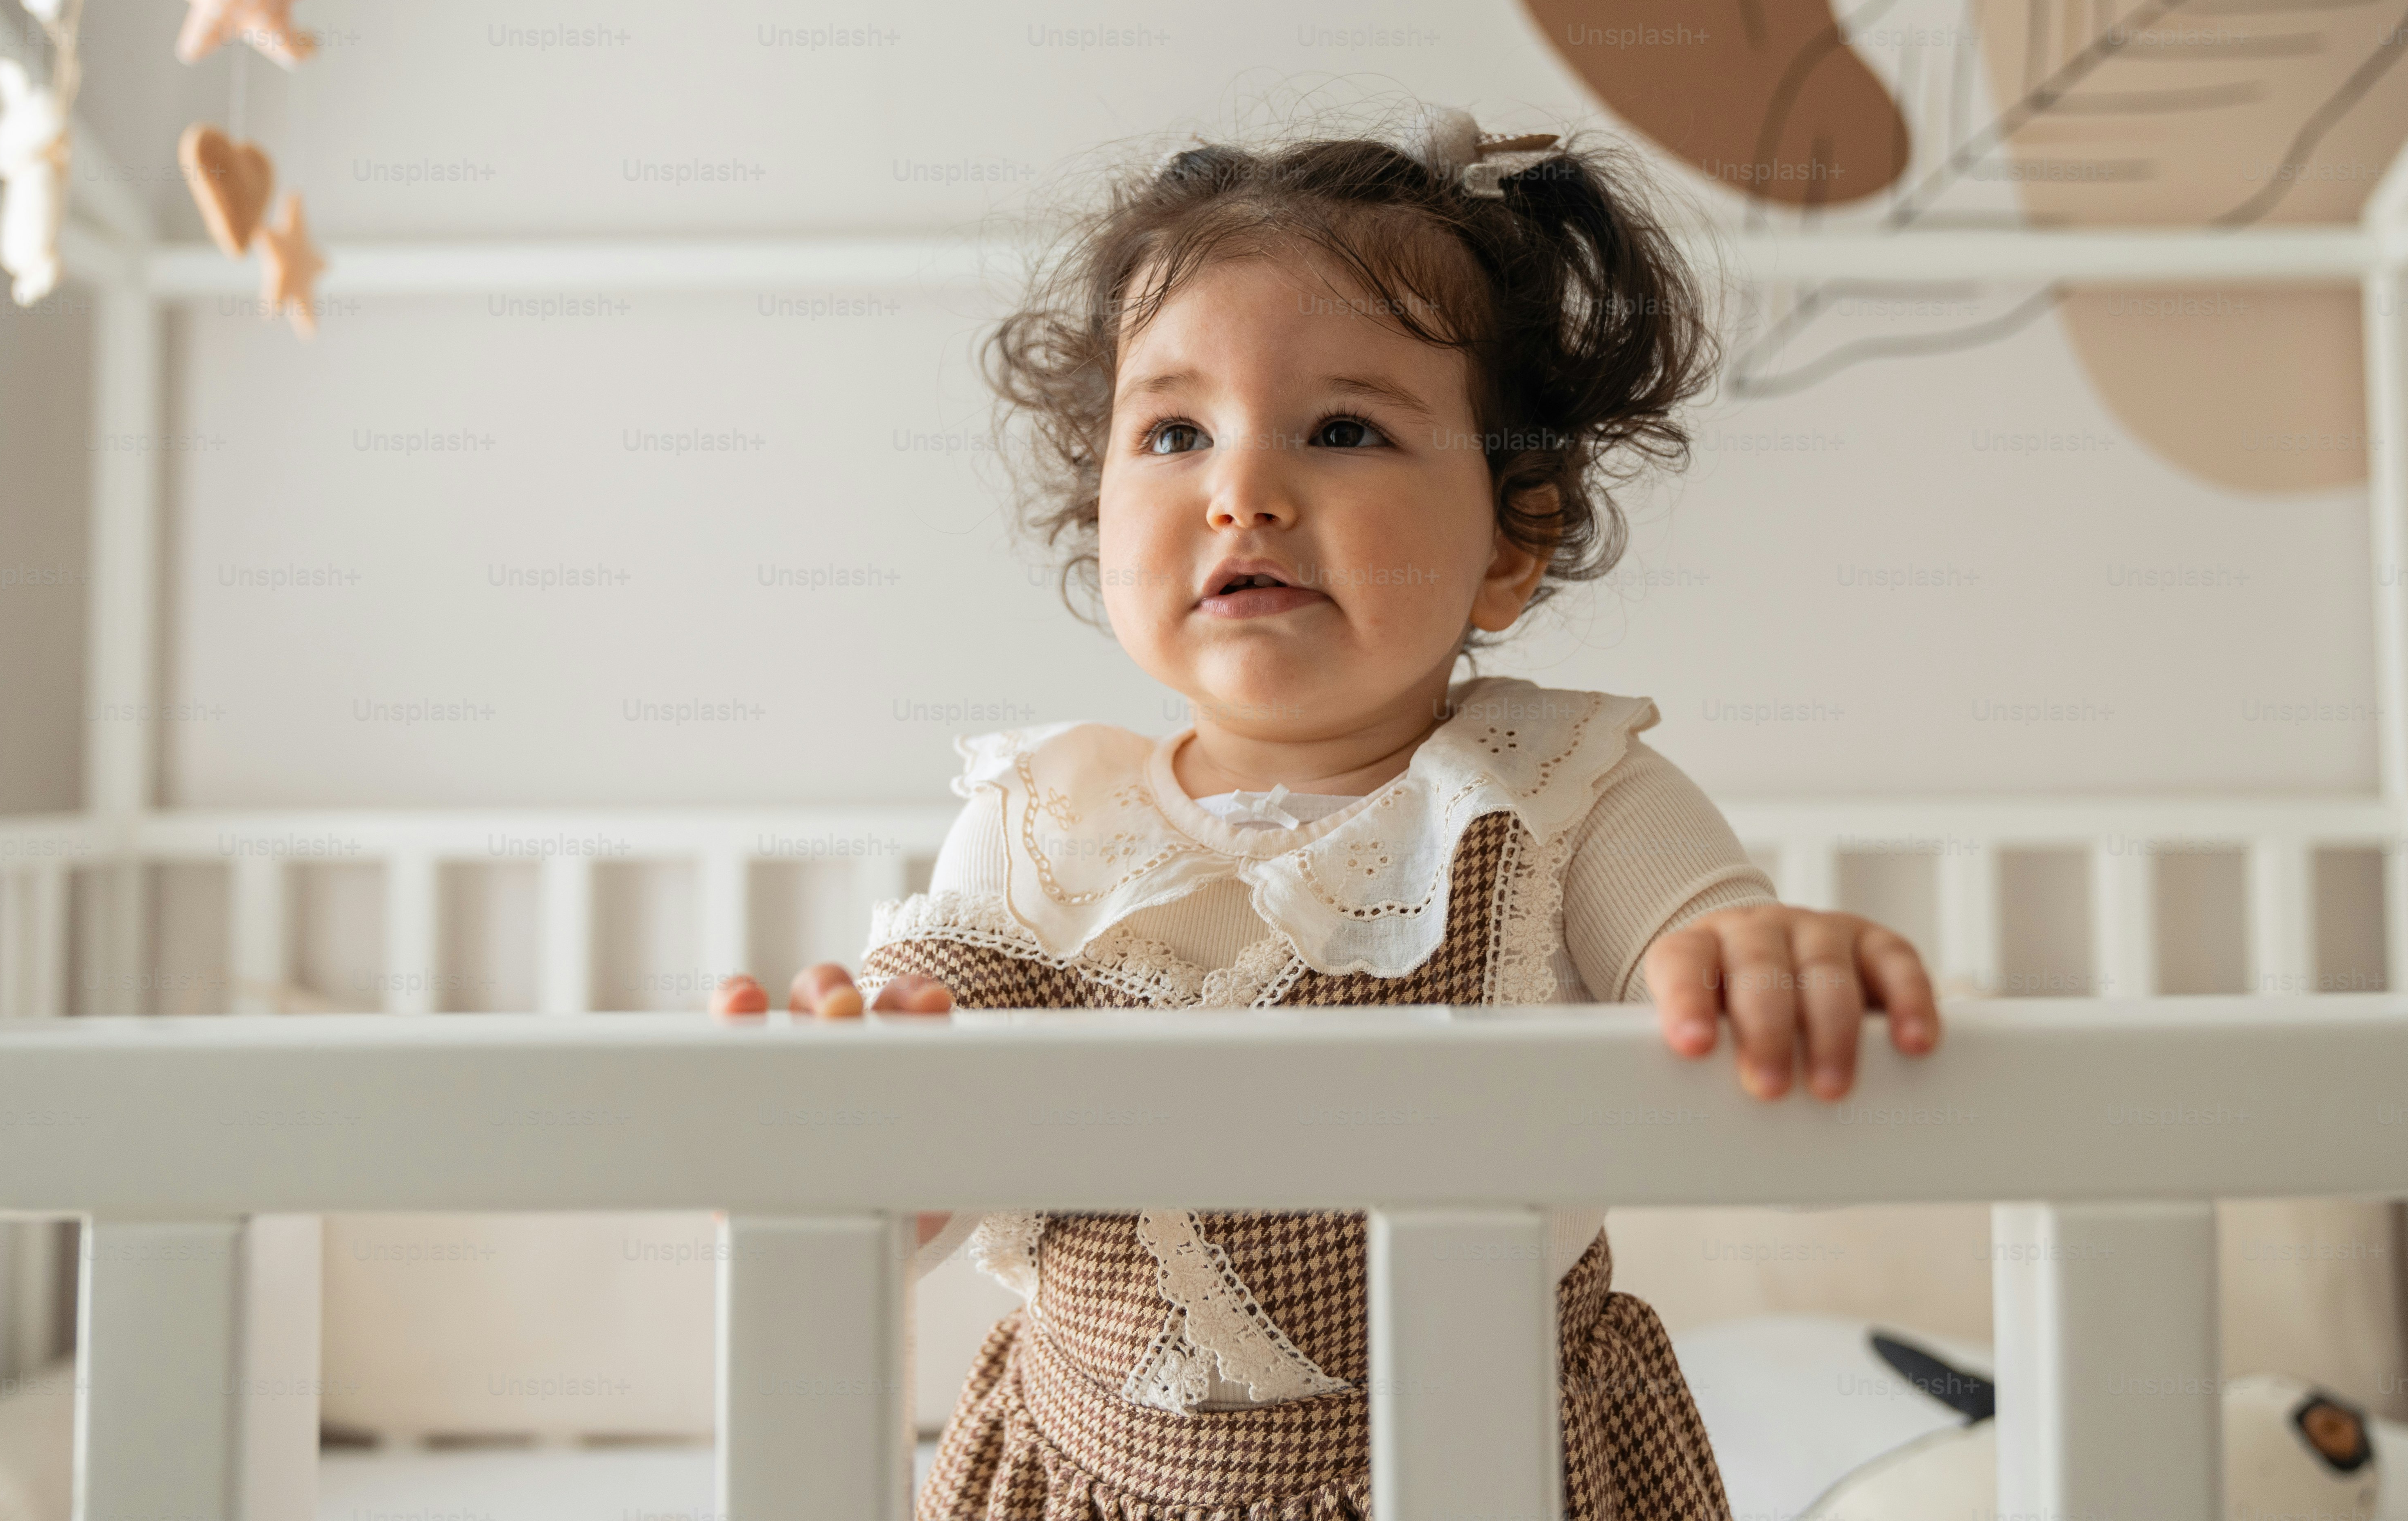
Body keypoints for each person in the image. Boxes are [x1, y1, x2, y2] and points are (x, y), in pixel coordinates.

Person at [719, 107, 1941, 1519]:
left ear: (1513, 533)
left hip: (1482, 1477)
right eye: (1174, 429)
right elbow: (922, 1186)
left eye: (1344, 428)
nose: (1242, 492)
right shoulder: (1036, 822)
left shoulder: (1560, 794)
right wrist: (835, 1127)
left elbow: (1710, 948)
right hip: (1089, 1482)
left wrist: (1762, 959)